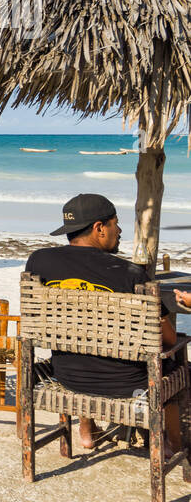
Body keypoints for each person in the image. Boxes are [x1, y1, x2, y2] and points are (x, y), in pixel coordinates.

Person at [25, 193, 181, 451]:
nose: (119, 231)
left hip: (68, 377)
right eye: (115, 223)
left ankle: (87, 429)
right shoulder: (128, 273)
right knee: (177, 360)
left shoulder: (39, 261)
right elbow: (168, 339)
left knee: (82, 333)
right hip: (130, 385)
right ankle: (172, 445)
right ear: (99, 228)